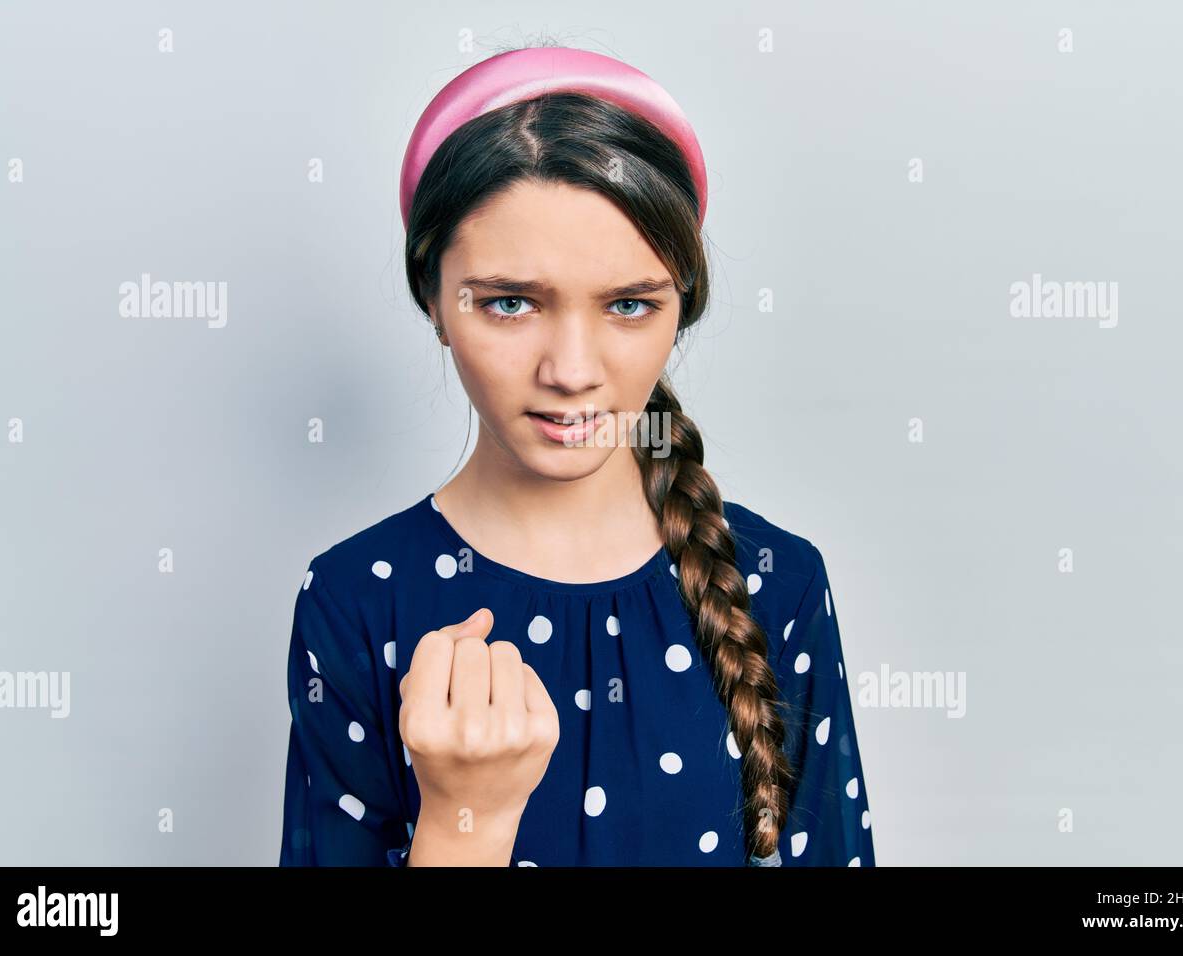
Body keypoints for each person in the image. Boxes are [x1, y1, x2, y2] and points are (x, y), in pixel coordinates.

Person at [279, 44, 875, 867]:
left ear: (681, 307)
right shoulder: (355, 602)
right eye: (510, 303)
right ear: (434, 300)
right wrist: (468, 819)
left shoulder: (778, 583)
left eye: (629, 304)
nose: (571, 371)